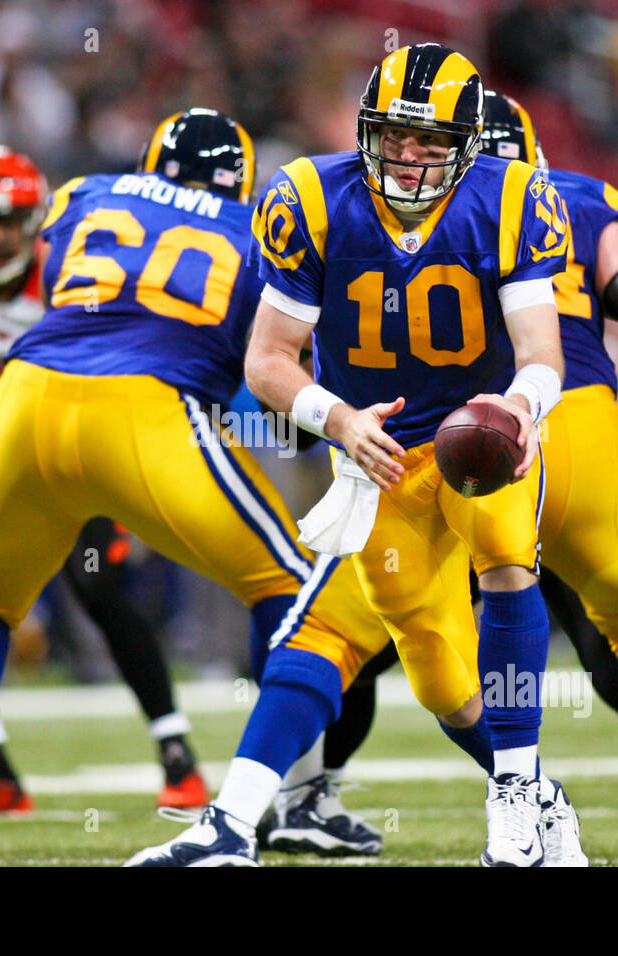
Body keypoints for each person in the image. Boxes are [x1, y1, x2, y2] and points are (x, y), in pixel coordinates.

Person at [279, 93, 618, 859]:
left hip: (447, 441)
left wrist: (329, 422)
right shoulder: (570, 198)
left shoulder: (391, 208)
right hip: (566, 423)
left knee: (390, 638)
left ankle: (350, 793)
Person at [0, 109, 414, 867]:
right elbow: (271, 368)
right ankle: (299, 799)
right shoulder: (255, 228)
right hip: (146, 409)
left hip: (26, 396)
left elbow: (67, 286)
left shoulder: (87, 193)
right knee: (298, 594)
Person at [222, 42, 574, 868]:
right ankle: (540, 798)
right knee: (437, 679)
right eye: (395, 137)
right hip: (375, 454)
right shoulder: (312, 198)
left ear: (467, 145)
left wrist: (520, 408)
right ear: (366, 131)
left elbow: (542, 353)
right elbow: (266, 361)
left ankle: (513, 799)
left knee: (505, 559)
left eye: (431, 142)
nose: (409, 157)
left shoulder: (513, 196)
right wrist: (340, 421)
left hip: (478, 433)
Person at [0, 147, 207, 814]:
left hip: (82, 444)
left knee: (98, 586)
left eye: (10, 220)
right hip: (5, 449)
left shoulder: (72, 272)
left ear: (35, 221)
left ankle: (178, 754)